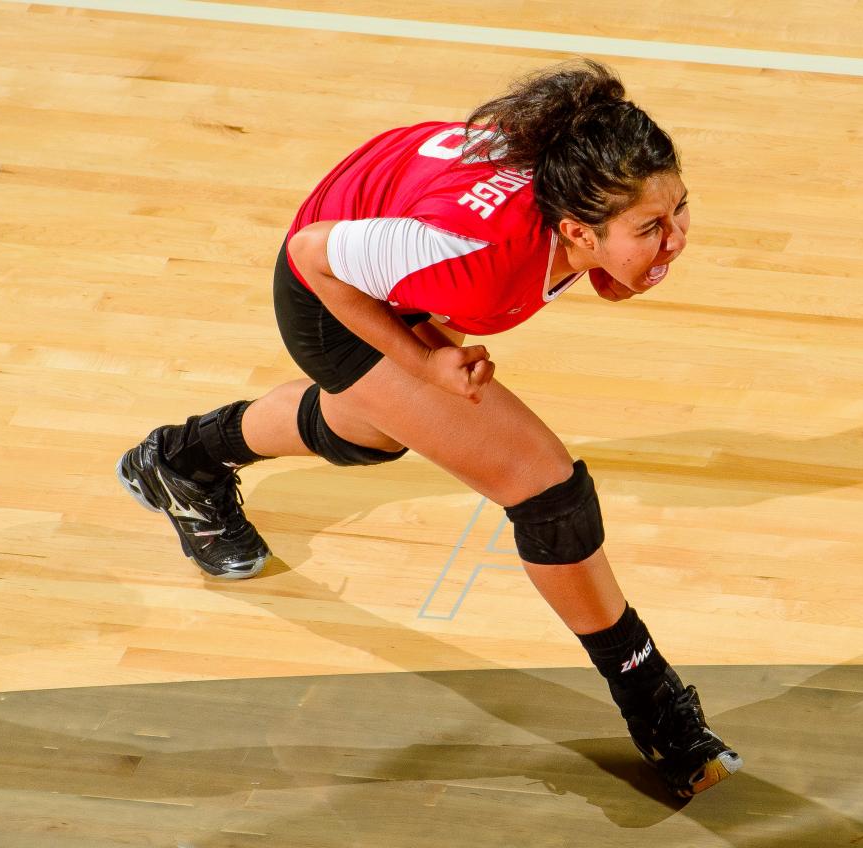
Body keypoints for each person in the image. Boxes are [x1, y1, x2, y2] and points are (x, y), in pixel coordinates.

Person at [117, 58, 742, 798]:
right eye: (650, 228)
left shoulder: (576, 184)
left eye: (680, 213)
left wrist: (617, 262)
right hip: (332, 284)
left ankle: (180, 461)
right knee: (544, 488)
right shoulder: (476, 258)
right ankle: (654, 701)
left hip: (397, 231)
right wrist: (417, 359)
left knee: (370, 432)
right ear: (576, 228)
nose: (675, 240)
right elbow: (312, 257)